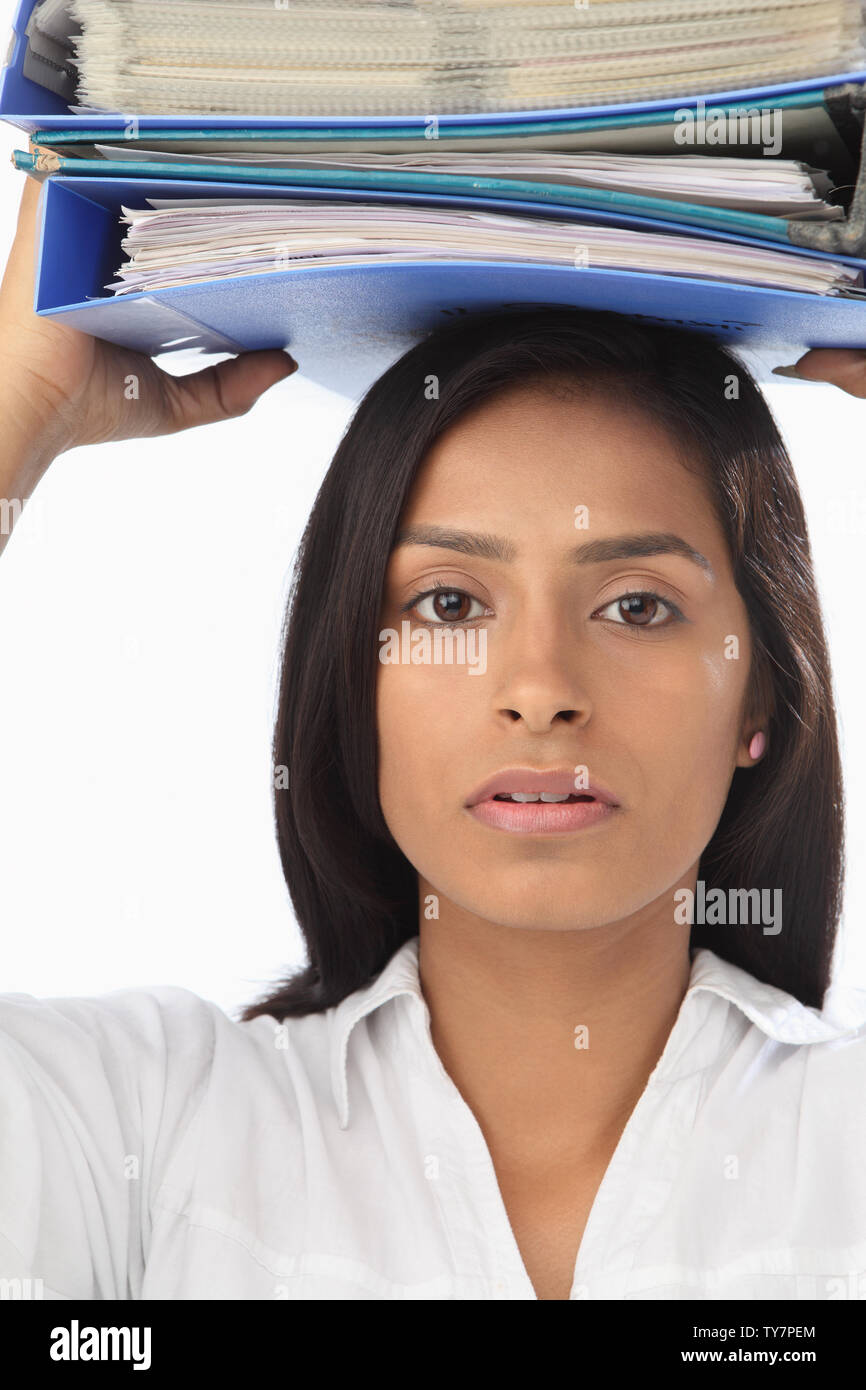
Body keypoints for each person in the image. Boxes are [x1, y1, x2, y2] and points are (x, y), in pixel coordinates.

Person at [1, 172, 865, 1302]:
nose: (540, 691)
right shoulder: (134, 1133)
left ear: (757, 699)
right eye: (449, 605)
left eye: (637, 605)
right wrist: (14, 407)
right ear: (350, 682)